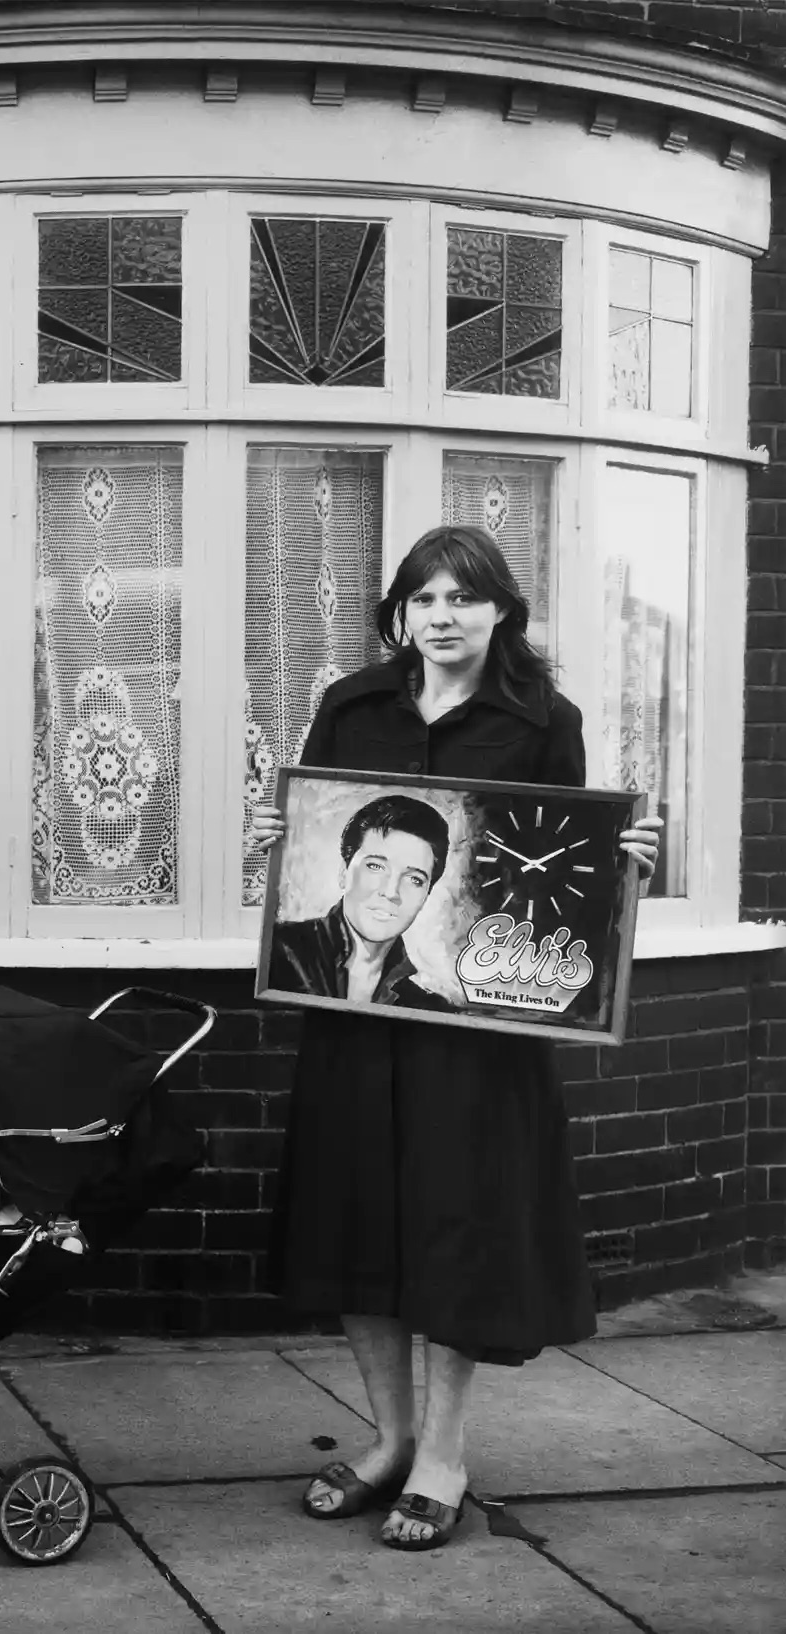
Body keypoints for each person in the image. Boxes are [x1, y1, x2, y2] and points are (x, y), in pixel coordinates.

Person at [248, 525, 660, 1550]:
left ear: (499, 614)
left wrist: (625, 863)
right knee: (358, 1222)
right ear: (400, 611)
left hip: (473, 1038)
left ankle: (441, 1451)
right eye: (422, 598)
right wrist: (272, 832)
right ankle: (386, 1438)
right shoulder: (351, 704)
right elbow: (314, 827)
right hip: (352, 1026)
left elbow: (565, 867)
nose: (440, 615)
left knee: (455, 1230)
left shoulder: (538, 719)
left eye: (461, 599)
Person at [266, 794, 455, 1012]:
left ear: (426, 896)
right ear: (344, 873)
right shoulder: (282, 951)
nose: (391, 892)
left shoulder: (424, 1006)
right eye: (375, 866)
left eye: (415, 879)